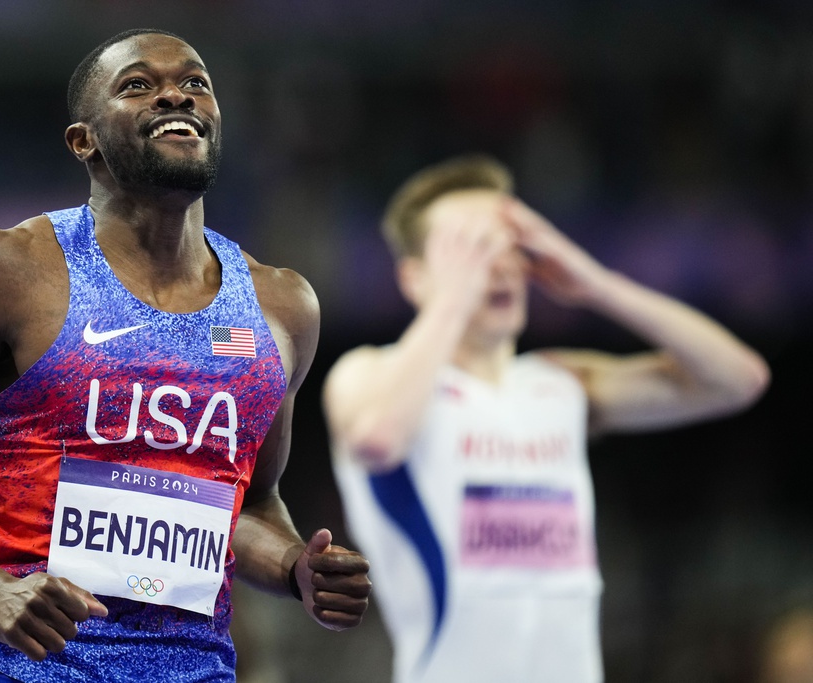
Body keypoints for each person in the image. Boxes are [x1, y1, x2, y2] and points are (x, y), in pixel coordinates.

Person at [0, 28, 371, 683]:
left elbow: (247, 504)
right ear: (83, 141)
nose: (177, 93)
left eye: (196, 83)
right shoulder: (12, 269)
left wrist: (294, 567)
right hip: (29, 671)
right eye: (139, 85)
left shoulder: (283, 307)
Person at [322, 154, 770, 683]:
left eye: (511, 248)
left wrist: (597, 283)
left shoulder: (560, 384)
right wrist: (451, 301)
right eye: (471, 250)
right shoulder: (370, 372)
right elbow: (378, 439)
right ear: (413, 278)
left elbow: (739, 380)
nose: (500, 265)